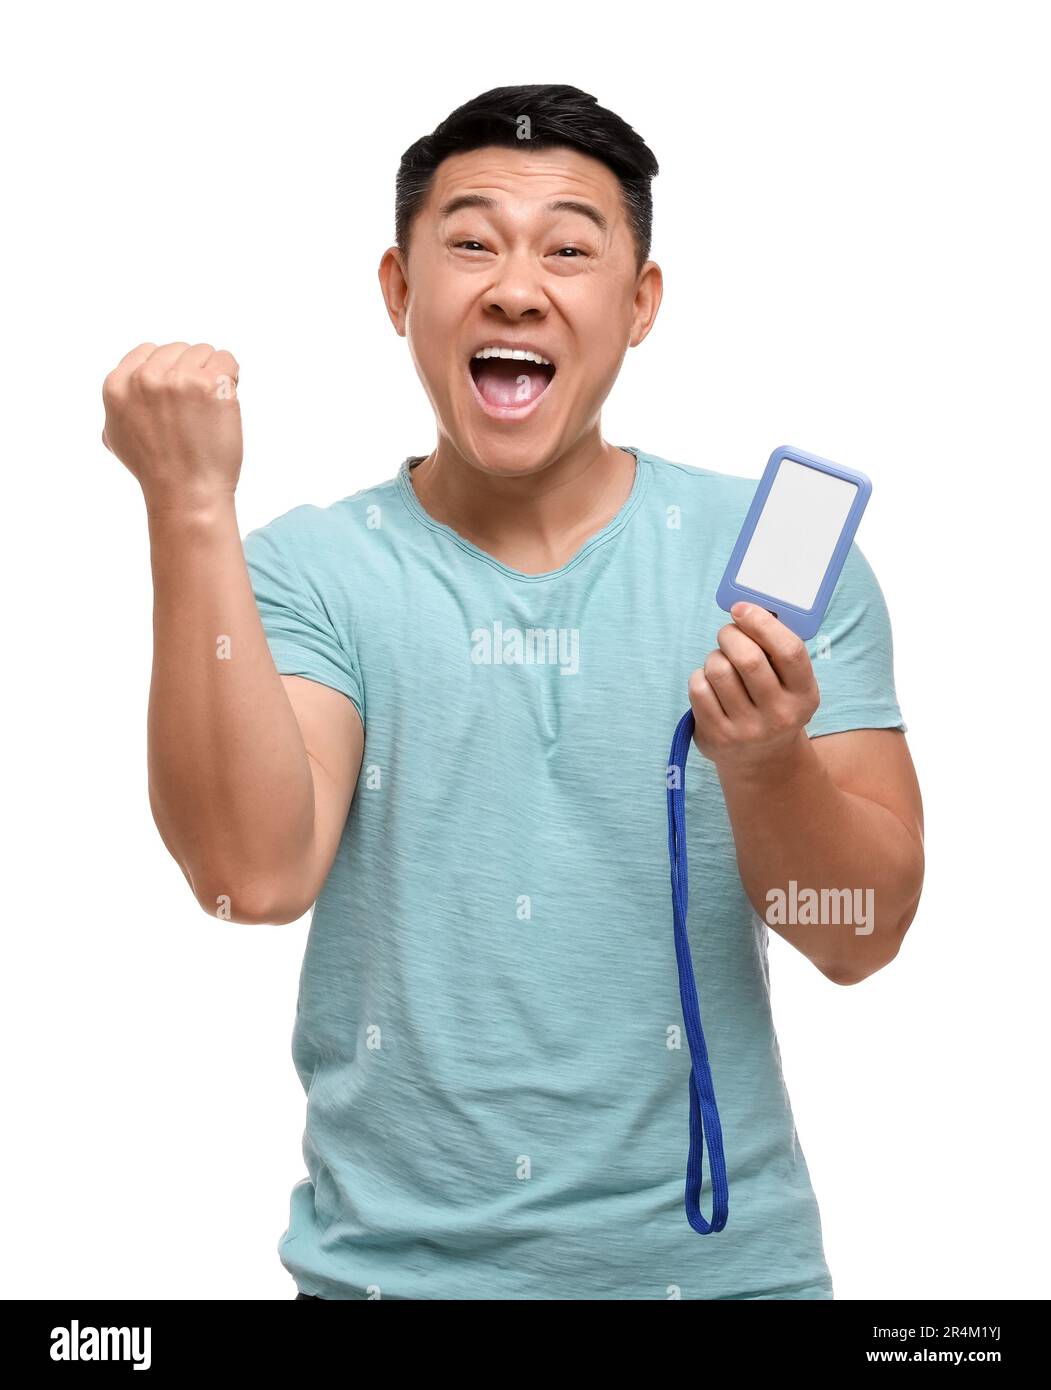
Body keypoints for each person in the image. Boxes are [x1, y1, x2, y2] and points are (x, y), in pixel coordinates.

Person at [101, 84, 925, 1301]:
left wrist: (766, 764)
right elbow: (253, 876)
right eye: (473, 241)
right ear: (398, 289)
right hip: (388, 1282)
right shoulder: (304, 570)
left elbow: (859, 940)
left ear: (638, 303)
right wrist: (188, 510)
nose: (516, 286)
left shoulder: (781, 545)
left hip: (723, 1280)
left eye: (571, 248)